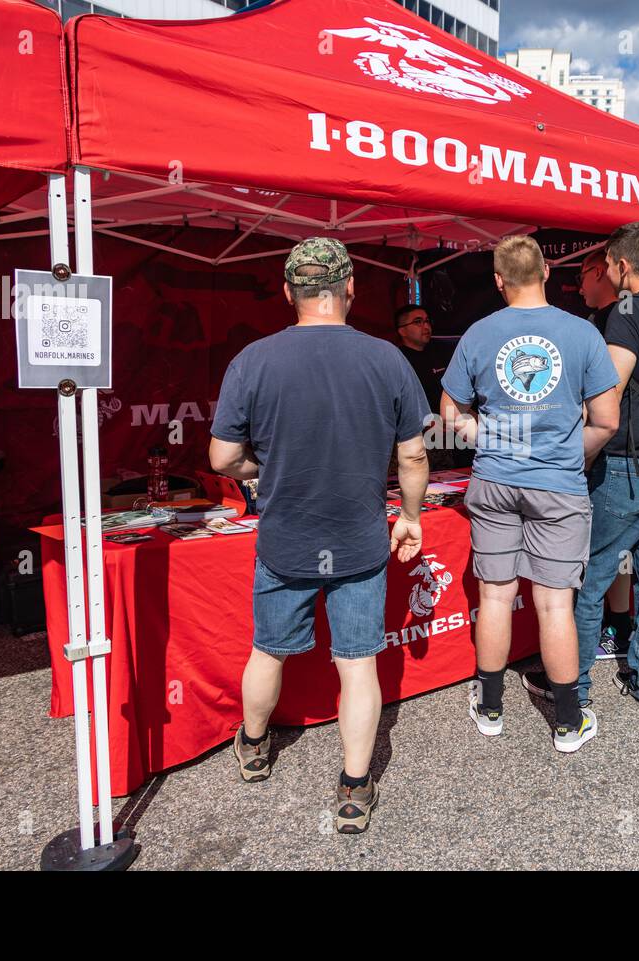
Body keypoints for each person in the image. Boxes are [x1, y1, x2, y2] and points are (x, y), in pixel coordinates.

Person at [209, 237, 431, 836]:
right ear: (351, 287)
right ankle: (354, 790)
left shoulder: (252, 360)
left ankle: (254, 748)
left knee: (269, 648)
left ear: (289, 293)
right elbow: (413, 456)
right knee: (358, 664)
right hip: (359, 540)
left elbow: (223, 457)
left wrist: (265, 471)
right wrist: (410, 516)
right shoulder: (387, 359)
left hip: (286, 539)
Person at [439, 235, 619, 753]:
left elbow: (450, 417)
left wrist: (495, 439)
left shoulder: (478, 333)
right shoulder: (581, 333)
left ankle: (490, 708)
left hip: (494, 482)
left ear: (499, 281)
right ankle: (567, 721)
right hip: (559, 488)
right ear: (545, 271)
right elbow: (607, 420)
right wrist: (567, 454)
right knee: (554, 604)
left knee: (495, 596)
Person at [529, 221, 639, 710]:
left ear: (622, 266)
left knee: (590, 579)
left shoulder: (626, 311)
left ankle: (572, 690)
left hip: (629, 468)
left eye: (607, 266)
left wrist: (575, 451)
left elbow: (609, 394)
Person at [577, 247, 634, 659]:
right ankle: (620, 627)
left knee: (603, 555)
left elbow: (603, 399)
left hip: (610, 452)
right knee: (620, 553)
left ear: (601, 271)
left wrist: (581, 456)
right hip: (635, 454)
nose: (578, 288)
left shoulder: (615, 320)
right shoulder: (625, 315)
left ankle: (598, 639)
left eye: (581, 277)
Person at [394, 303, 449, 415]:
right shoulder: (397, 360)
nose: (426, 326)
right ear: (402, 331)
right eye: (418, 322)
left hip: (451, 421)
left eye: (427, 321)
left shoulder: (441, 352)